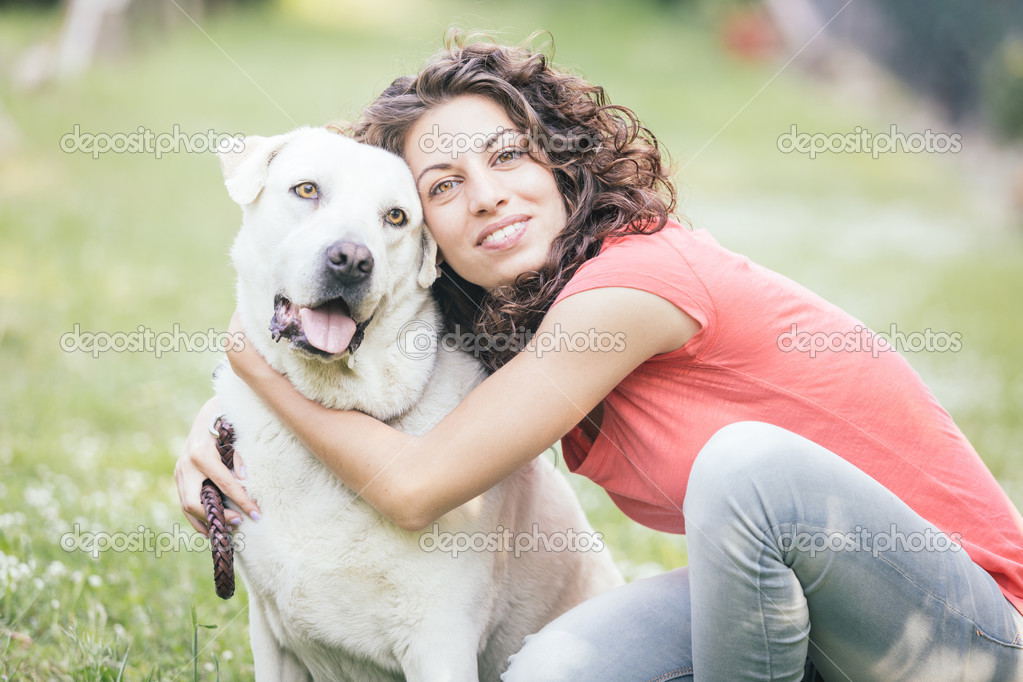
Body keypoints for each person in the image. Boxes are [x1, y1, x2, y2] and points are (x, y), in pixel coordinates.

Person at [175, 33, 1023, 680]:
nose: (487, 194)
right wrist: (217, 435)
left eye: (507, 155)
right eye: (441, 188)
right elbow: (385, 379)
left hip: (972, 630)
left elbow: (413, 485)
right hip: (813, 611)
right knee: (547, 669)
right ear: (424, 247)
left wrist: (249, 365)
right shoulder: (521, 332)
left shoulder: (632, 283)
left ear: (561, 162)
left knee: (745, 468)